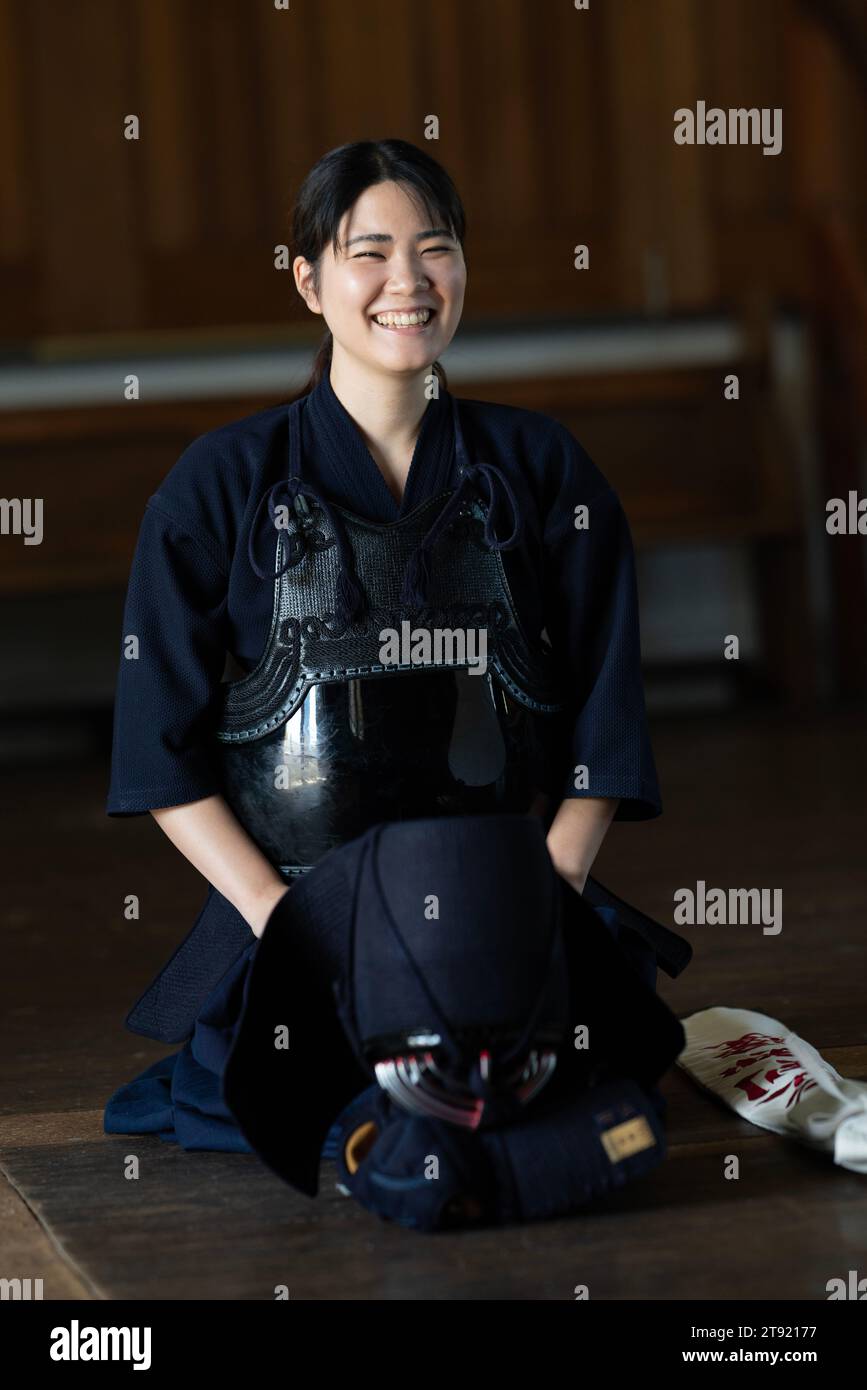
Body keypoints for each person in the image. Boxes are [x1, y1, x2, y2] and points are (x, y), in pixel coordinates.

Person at [103, 138, 691, 1185]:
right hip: (292, 913)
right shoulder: (218, 484)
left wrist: (541, 904)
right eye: (369, 252)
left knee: (579, 1096)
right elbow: (159, 751)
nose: (409, 282)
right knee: (330, 1101)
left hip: (516, 898)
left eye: (437, 249)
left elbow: (605, 718)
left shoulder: (544, 467)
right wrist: (287, 923)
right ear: (308, 279)